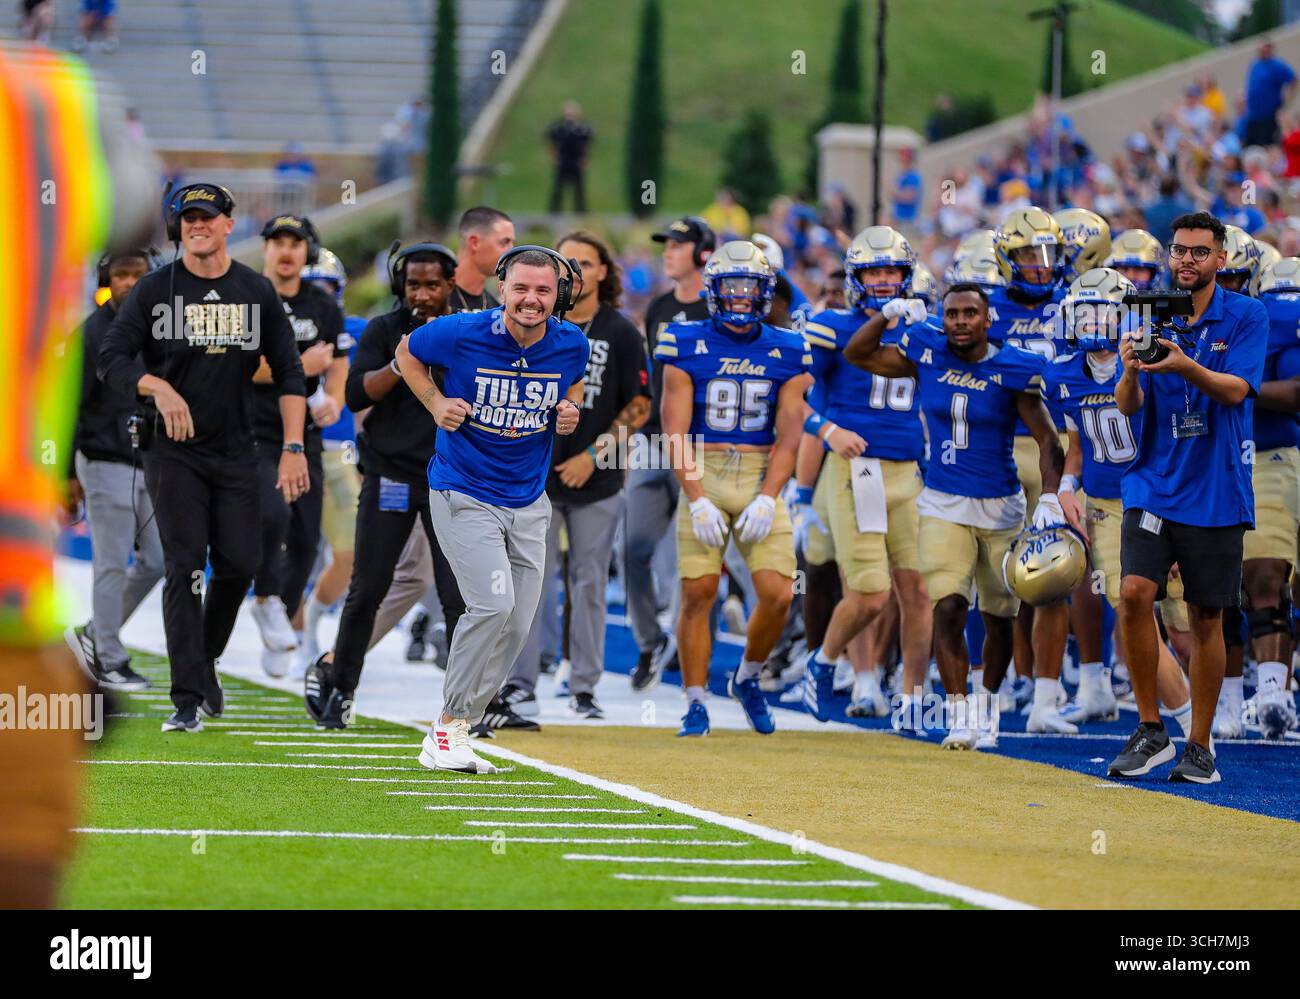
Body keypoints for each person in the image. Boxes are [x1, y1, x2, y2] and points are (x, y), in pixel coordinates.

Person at [98, 183, 309, 733]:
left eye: (207, 217)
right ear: (178, 228)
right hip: (173, 455)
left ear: (226, 224)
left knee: (240, 561)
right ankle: (187, 698)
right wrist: (155, 388)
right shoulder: (153, 290)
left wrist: (292, 447)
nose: (197, 225)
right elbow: (111, 358)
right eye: (188, 218)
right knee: (184, 566)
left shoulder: (254, 290)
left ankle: (204, 660)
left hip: (239, 450)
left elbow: (289, 371)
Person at [844, 283, 1082, 750]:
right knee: (948, 607)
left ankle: (986, 704)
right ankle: (957, 714)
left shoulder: (1012, 367)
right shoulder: (926, 353)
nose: (960, 321)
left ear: (987, 319)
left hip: (1001, 505)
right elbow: (859, 352)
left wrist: (1051, 498)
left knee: (1000, 616)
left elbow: (1049, 441)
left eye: (970, 313)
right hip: (941, 501)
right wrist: (888, 313)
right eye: (951, 313)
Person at [396, 247, 589, 772]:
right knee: (492, 606)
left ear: (559, 295)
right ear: (502, 288)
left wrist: (569, 407)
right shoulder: (461, 331)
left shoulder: (572, 342)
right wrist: (435, 403)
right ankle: (450, 727)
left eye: (543, 290)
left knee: (519, 624)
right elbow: (406, 352)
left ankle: (455, 726)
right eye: (521, 288)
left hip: (528, 498)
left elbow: (571, 382)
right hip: (464, 490)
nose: (531, 299)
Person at [1108, 212, 1268, 785]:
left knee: (1207, 617)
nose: (1187, 261)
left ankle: (1198, 746)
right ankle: (1151, 728)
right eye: (1179, 251)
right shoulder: (1148, 309)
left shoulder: (1248, 314)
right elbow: (1128, 405)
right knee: (1132, 593)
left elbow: (1235, 391)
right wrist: (1129, 370)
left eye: (1200, 252)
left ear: (1221, 260)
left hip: (1217, 486)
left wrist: (1184, 363)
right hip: (1151, 480)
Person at [303, 242, 466, 729]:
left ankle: (462, 708)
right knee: (367, 587)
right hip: (392, 473)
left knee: (458, 597)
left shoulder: (469, 330)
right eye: (413, 283)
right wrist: (400, 363)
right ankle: (341, 689)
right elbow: (354, 395)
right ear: (401, 284)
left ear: (450, 284)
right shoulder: (383, 329)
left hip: (451, 477)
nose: (422, 293)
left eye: (432, 284)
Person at [655, 241, 810, 737]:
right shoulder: (684, 340)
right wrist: (697, 498)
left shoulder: (787, 346)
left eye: (751, 287)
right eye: (732, 286)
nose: (742, 296)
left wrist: (770, 495)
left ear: (765, 292)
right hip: (704, 466)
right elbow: (673, 430)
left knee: (778, 594)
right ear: (714, 290)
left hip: (761, 469)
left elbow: (790, 436)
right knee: (699, 591)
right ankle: (696, 702)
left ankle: (746, 677)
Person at [501, 232, 650, 720]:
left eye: (587, 262)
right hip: (532, 474)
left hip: (597, 479)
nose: (577, 270)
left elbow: (639, 404)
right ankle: (521, 682)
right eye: (568, 262)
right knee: (530, 583)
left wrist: (595, 452)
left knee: (588, 583)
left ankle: (584, 684)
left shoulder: (621, 331)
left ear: (604, 271)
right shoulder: (529, 323)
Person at [1044, 268, 1195, 733]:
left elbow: (1180, 442)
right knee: (1132, 611)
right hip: (1106, 505)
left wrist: (1176, 521)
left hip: (1161, 497)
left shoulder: (1154, 367)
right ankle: (1191, 729)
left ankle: (1214, 710)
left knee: (1188, 624)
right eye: (1083, 312)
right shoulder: (1063, 374)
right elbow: (1077, 447)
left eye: (1100, 312)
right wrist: (1065, 490)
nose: (1090, 323)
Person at [796, 226, 931, 727]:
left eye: (890, 270)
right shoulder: (830, 326)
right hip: (859, 471)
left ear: (906, 275)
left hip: (909, 472)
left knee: (918, 589)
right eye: (872, 271)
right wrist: (828, 429)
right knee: (870, 592)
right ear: (855, 277)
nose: (881, 280)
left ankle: (914, 696)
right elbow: (791, 402)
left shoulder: (924, 328)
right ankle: (832, 664)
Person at [249, 216, 347, 678]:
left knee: (309, 537)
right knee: (272, 515)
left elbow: (339, 360)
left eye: (296, 243)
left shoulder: (322, 306)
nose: (286, 251)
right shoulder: (246, 296)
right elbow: (232, 369)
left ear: (308, 251)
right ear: (265, 249)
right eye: (278, 242)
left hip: (304, 433)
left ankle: (283, 612)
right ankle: (265, 597)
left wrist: (333, 399)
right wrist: (294, 364)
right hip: (251, 429)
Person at [63, 249, 164, 691]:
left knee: (158, 560)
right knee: (110, 562)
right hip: (103, 458)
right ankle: (106, 656)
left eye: (137, 274)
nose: (128, 282)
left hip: (153, 459)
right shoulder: (90, 334)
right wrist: (65, 472)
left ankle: (93, 634)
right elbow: (66, 407)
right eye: (120, 274)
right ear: (107, 278)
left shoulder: (160, 331)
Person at [626, 216, 715, 691]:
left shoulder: (718, 306)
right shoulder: (659, 306)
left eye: (679, 244)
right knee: (634, 547)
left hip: (701, 444)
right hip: (654, 441)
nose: (669, 251)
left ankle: (692, 646)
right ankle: (649, 641)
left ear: (703, 253)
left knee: (700, 554)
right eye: (668, 244)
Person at [1221, 255, 1300, 739]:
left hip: (1271, 453)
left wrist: (1230, 385)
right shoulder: (1184, 318)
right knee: (1217, 586)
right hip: (1216, 458)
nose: (1225, 287)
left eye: (1233, 278)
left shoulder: (1275, 315)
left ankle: (1273, 694)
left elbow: (1294, 393)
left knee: (1267, 573)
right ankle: (1228, 700)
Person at [297, 249, 367, 673]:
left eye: (328, 287)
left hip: (337, 452)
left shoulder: (356, 331)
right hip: (281, 448)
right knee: (289, 554)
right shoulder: (272, 325)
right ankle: (288, 632)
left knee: (348, 554)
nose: (321, 295)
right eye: (313, 286)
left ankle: (310, 630)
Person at [450, 205, 515, 313]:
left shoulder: (497, 310)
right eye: (504, 242)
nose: (511, 251)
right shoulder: (433, 301)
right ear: (474, 243)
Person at [1243, 40, 1296, 148]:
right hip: (1253, 115)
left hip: (1268, 116)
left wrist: (1284, 105)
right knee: (1251, 147)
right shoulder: (1255, 64)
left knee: (1267, 146)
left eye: (1265, 48)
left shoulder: (1277, 65)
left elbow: (1293, 81)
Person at [546, 101, 594, 214]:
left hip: (576, 159)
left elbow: (587, 145)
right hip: (563, 159)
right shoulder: (558, 128)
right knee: (559, 186)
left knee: (579, 187)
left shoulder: (583, 129)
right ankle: (555, 209)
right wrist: (555, 157)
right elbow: (551, 142)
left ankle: (581, 210)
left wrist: (584, 158)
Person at [891, 147, 922, 231]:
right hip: (898, 218)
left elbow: (909, 197)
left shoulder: (913, 176)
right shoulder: (901, 175)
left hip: (908, 220)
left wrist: (893, 191)